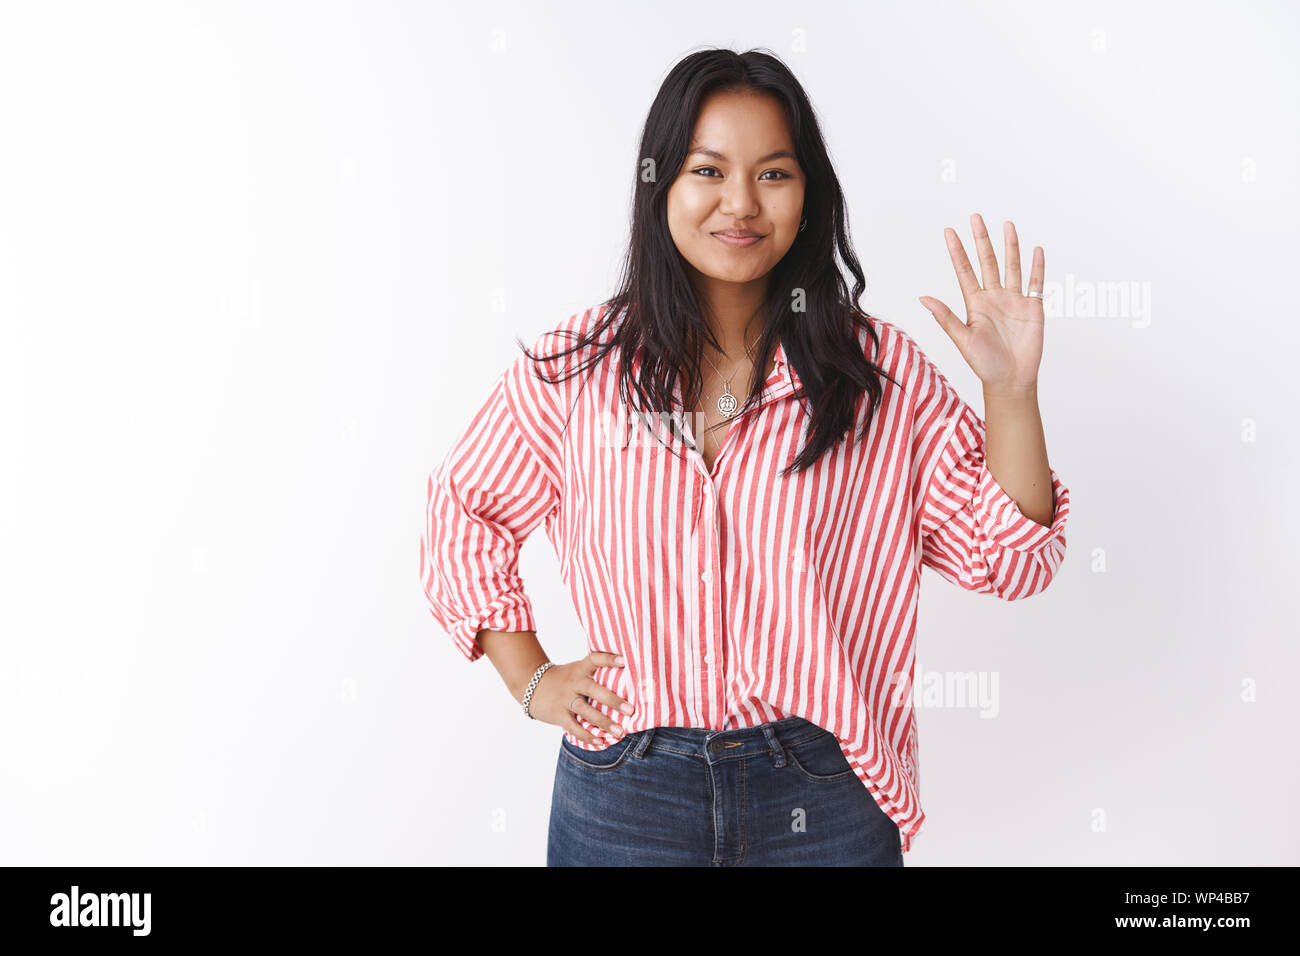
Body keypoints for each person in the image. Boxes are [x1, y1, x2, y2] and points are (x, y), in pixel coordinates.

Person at [420, 48, 1070, 866]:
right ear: (661, 185)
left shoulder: (877, 374)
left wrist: (1010, 393)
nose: (740, 204)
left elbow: (1012, 560)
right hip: (627, 791)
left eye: (772, 174)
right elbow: (463, 510)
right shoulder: (580, 367)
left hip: (823, 791)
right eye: (708, 170)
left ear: (809, 195)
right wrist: (532, 680)